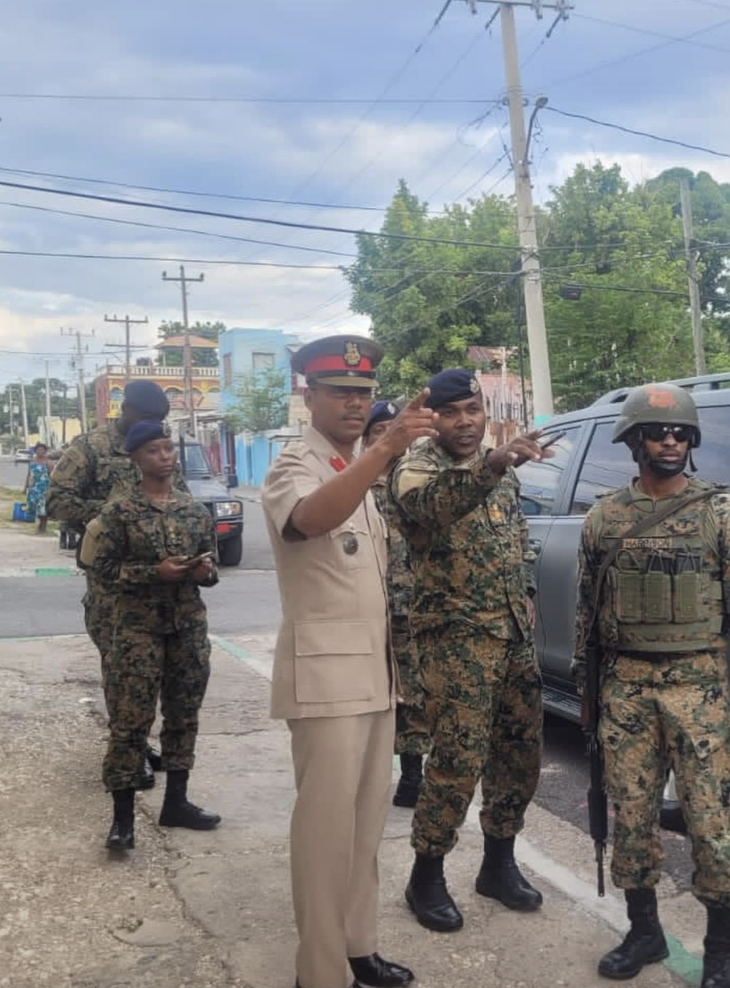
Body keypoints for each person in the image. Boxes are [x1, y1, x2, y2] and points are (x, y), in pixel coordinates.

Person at [573, 383, 730, 988]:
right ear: (634, 440)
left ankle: (721, 952)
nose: (670, 440)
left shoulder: (725, 515)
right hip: (626, 691)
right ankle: (645, 931)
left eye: (681, 434)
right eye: (659, 433)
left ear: (691, 443)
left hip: (701, 692)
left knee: (712, 827)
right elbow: (586, 616)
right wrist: (587, 693)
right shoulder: (605, 517)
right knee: (631, 820)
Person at [262, 335, 435, 988]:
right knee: (324, 838)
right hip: (325, 683)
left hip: (372, 678)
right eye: (340, 392)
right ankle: (320, 971)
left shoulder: (355, 466)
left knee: (364, 833)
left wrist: (381, 453)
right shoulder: (294, 466)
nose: (354, 404)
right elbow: (306, 520)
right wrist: (385, 450)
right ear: (308, 395)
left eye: (363, 394)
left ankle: (358, 947)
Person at [390, 368, 550, 934]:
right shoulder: (417, 468)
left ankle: (497, 866)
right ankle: (426, 875)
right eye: (451, 412)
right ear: (431, 418)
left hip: (510, 636)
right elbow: (430, 509)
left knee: (519, 755)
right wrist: (491, 464)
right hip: (455, 640)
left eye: (472, 410)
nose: (465, 422)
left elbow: (516, 539)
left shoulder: (500, 471)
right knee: (456, 761)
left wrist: (526, 590)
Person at [81, 419, 221, 852]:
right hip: (136, 631)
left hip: (186, 628)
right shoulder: (118, 513)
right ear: (135, 458)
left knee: (183, 715)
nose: (166, 456)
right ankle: (123, 820)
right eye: (155, 450)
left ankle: (176, 802)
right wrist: (151, 573)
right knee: (130, 724)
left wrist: (204, 572)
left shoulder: (193, 510)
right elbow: (97, 568)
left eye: (168, 448)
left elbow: (212, 569)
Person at [47, 380, 187, 787]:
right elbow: (57, 502)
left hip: (163, 583)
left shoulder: (159, 449)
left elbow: (182, 498)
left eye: (158, 422)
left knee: (157, 673)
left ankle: (141, 743)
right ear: (124, 411)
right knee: (122, 672)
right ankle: (130, 752)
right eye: (145, 419)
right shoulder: (89, 448)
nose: (153, 428)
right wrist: (119, 515)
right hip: (113, 584)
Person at [363, 399, 432, 807]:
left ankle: (411, 775)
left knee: (414, 689)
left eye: (394, 427)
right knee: (369, 690)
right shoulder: (356, 484)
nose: (389, 436)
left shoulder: (418, 482)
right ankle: (367, 770)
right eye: (378, 430)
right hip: (368, 606)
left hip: (415, 602)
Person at [24, 443, 53, 534]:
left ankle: (43, 525)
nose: (40, 452)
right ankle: (41, 523)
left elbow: (53, 476)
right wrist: (25, 487)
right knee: (33, 507)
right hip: (33, 489)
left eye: (42, 450)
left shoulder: (48, 463)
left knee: (42, 508)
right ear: (35, 451)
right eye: (38, 450)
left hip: (43, 489)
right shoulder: (32, 462)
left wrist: (52, 489)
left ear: (45, 451)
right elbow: (29, 475)